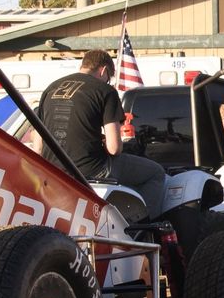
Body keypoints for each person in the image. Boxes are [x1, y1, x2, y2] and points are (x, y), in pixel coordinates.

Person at [35, 50, 168, 213]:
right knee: (155, 173)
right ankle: (144, 224)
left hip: (53, 171)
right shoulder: (105, 91)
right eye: (108, 78)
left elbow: (38, 147)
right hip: (91, 169)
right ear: (103, 70)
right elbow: (114, 148)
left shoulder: (51, 87)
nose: (108, 81)